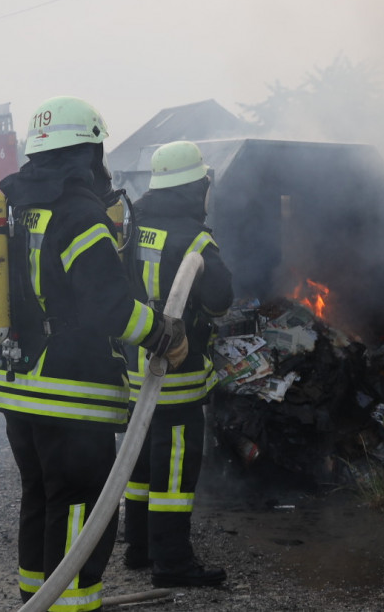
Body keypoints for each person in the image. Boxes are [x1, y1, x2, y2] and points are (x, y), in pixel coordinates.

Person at [0, 96, 188, 610]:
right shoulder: (78, 213)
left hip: (19, 387)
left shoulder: (14, 207)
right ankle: (72, 606)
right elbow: (111, 308)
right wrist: (165, 333)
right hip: (70, 393)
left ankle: (36, 601)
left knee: (41, 500)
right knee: (80, 509)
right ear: (88, 151)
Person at [122, 140, 233, 588]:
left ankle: (139, 547)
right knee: (173, 470)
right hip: (177, 373)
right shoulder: (196, 239)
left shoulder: (134, 225)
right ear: (195, 186)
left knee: (140, 462)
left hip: (136, 369)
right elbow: (221, 303)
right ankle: (172, 563)